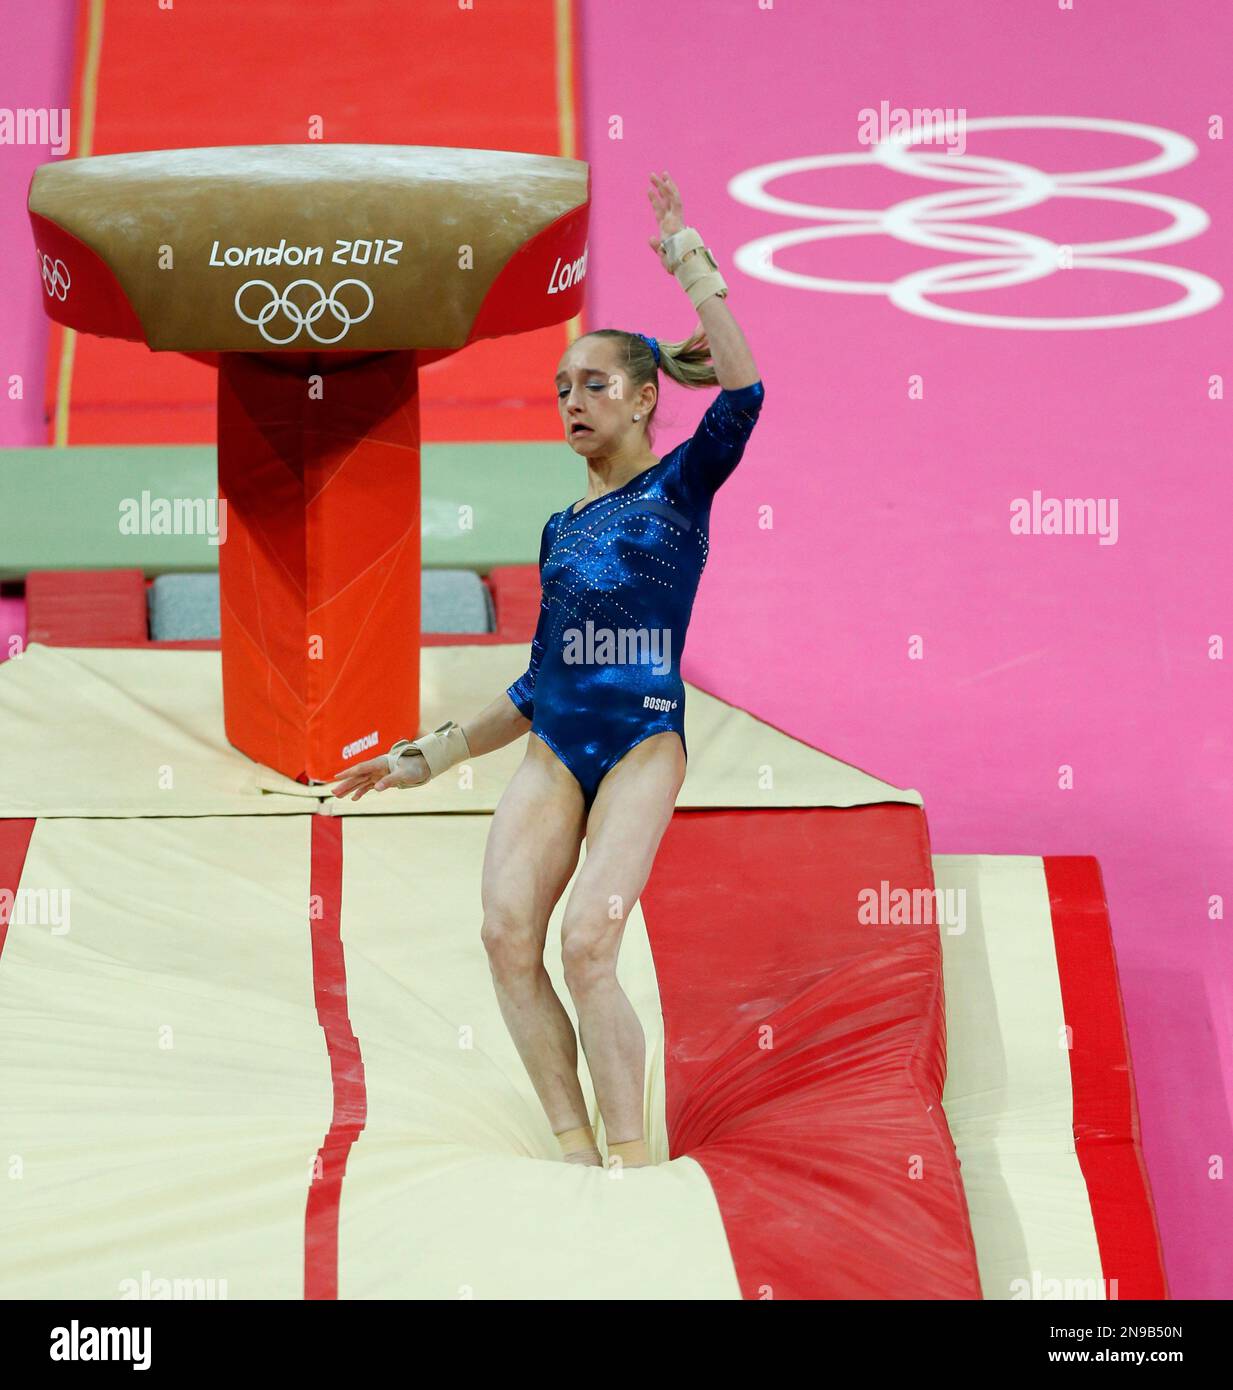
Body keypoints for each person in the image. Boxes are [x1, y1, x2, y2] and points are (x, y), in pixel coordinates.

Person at [331, 171, 764, 1171]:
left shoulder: (679, 485)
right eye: (562, 388)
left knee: (588, 946)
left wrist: (688, 259)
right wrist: (421, 757)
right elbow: (537, 686)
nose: (572, 399)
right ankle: (573, 1150)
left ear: (648, 396)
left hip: (644, 741)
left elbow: (743, 390)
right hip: (559, 743)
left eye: (595, 384)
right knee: (504, 935)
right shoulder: (560, 529)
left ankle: (634, 1156)